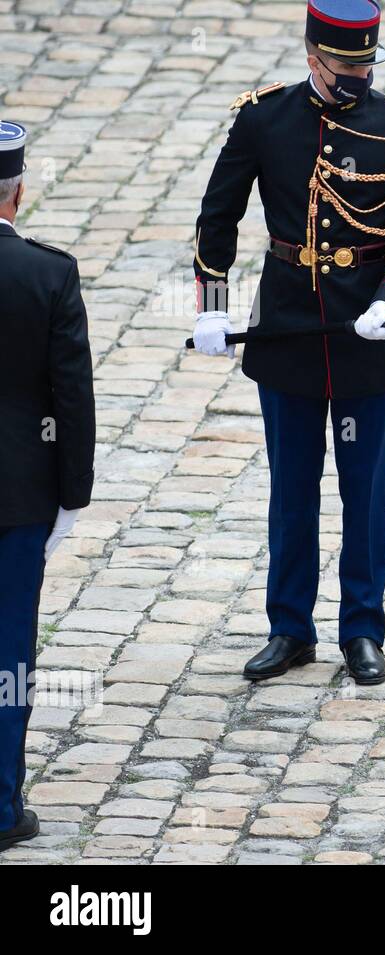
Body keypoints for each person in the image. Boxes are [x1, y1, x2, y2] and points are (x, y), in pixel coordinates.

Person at [191, 0, 385, 685]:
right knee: (292, 489)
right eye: (344, 66)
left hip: (365, 337)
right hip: (289, 330)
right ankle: (289, 627)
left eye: (365, 64)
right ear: (312, 56)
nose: (356, 77)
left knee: (365, 494)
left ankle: (363, 628)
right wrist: (214, 306)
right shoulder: (265, 118)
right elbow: (218, 215)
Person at [0, 121, 96, 850]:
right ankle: (0, 807)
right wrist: (73, 494)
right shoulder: (48, 275)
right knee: (8, 655)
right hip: (20, 496)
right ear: (18, 192)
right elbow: (72, 397)